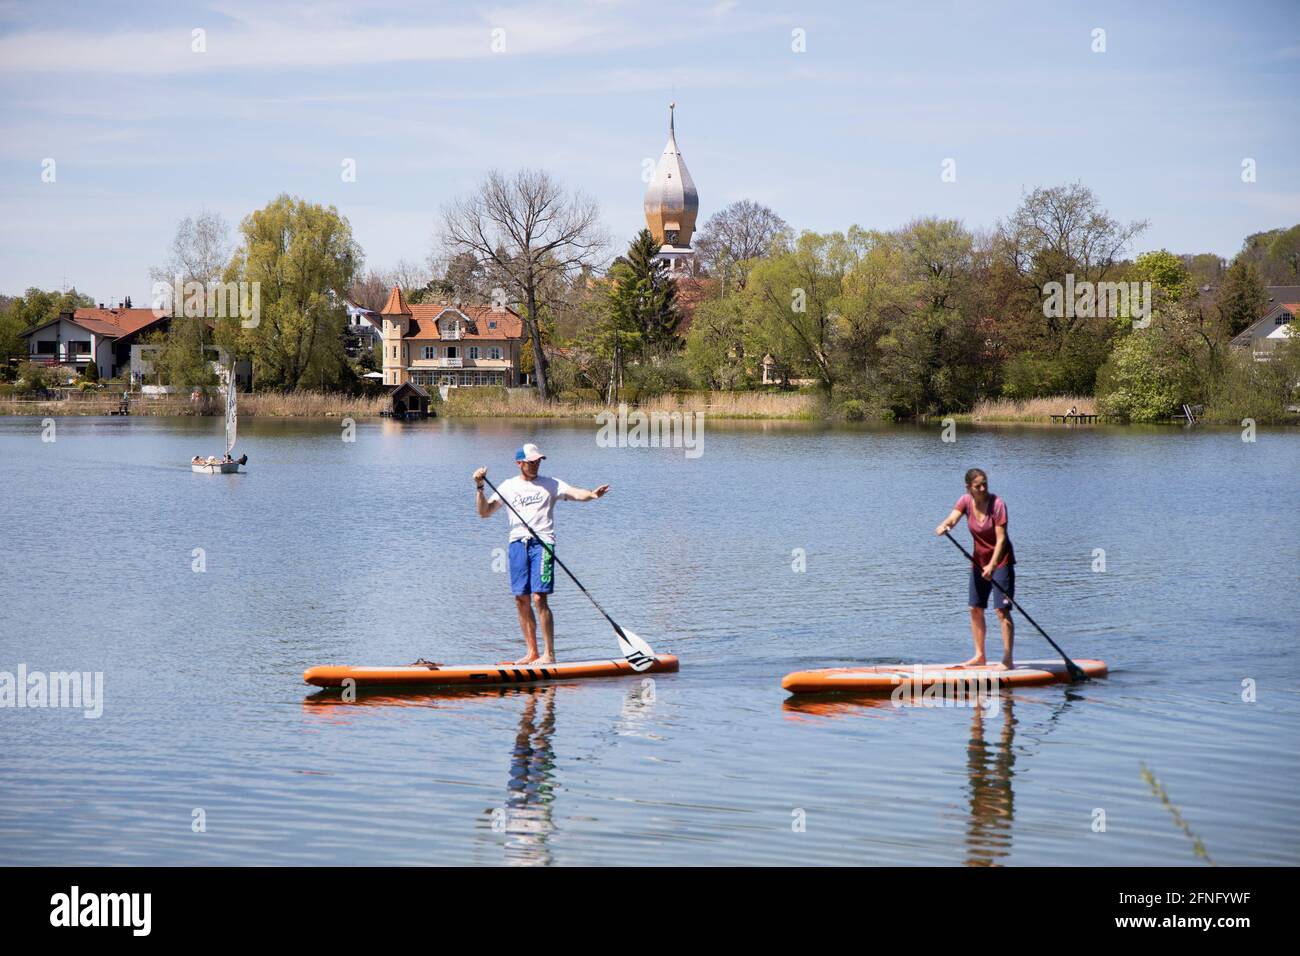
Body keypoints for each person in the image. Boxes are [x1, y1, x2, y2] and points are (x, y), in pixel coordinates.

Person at [473, 444, 609, 665]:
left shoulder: (551, 484)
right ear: (520, 463)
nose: (535, 465)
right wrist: (480, 487)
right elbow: (484, 513)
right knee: (521, 599)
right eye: (531, 462)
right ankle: (532, 653)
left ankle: (549, 654)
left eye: (538, 461)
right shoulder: (508, 486)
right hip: (517, 544)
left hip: (543, 544)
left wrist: (592, 494)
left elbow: (575, 493)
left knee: (539, 597)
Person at [935, 468, 1016, 669]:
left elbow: (1001, 539)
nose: (983, 488)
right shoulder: (965, 501)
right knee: (975, 608)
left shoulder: (997, 505)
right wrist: (944, 526)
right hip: (978, 563)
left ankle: (1007, 659)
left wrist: (993, 565)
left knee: (1001, 610)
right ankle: (980, 656)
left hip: (1001, 561)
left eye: (985, 483)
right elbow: (952, 519)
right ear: (969, 488)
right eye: (978, 485)